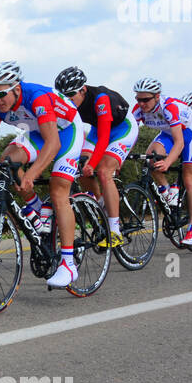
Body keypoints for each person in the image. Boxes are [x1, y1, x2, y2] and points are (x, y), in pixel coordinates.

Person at [0, 60, 85, 288]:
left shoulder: (37, 97)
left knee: (58, 190)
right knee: (8, 160)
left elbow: (53, 143)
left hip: (66, 132)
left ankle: (68, 264)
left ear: (16, 88)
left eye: (1, 94)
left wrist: (32, 174)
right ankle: (35, 209)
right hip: (37, 132)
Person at [54, 67, 137, 248]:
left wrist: (93, 162)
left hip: (122, 129)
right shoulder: (67, 104)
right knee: (80, 168)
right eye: (63, 97)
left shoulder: (101, 98)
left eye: (70, 95)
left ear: (83, 89)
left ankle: (115, 231)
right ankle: (102, 205)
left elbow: (105, 137)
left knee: (103, 171)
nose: (66, 100)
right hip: (97, 130)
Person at [132, 77, 192, 247]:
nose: (141, 103)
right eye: (138, 99)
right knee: (151, 157)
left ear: (157, 96)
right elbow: (131, 135)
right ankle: (167, 190)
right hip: (167, 133)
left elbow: (179, 142)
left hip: (188, 133)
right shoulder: (138, 110)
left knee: (189, 179)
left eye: (145, 99)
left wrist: (168, 162)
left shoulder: (168, 107)